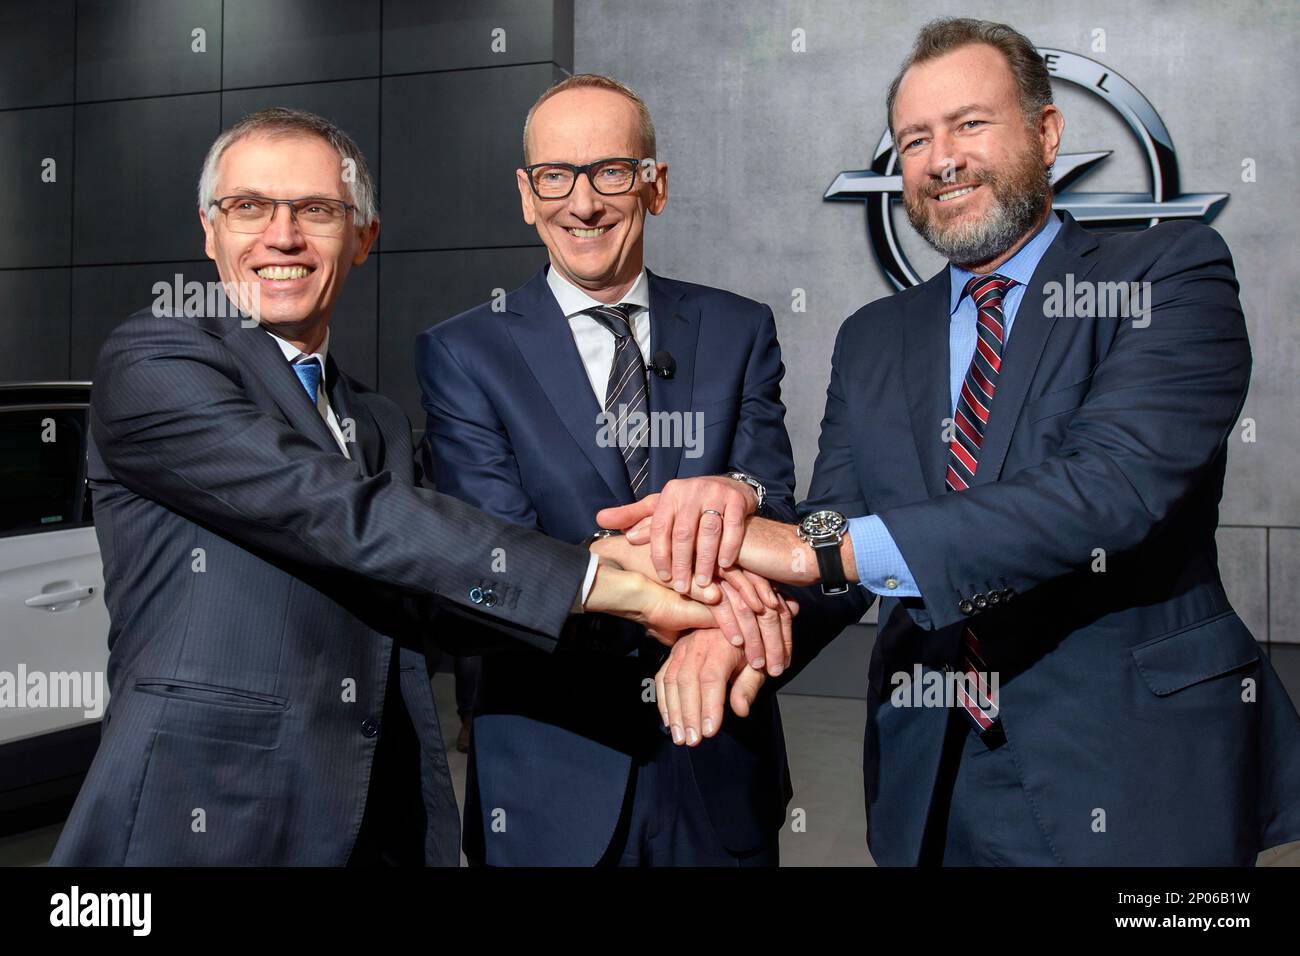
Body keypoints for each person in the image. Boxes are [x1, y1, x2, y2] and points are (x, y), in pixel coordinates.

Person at [603, 19, 1300, 866]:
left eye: (970, 124)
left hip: (1135, 764)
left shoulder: (1164, 273)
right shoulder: (874, 336)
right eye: (914, 140)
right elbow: (837, 525)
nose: (941, 159)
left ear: (1047, 133)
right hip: (932, 773)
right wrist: (737, 628)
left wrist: (801, 549)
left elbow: (1110, 489)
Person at [51, 108, 714, 867]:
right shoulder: (156, 361)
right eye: (249, 207)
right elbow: (333, 509)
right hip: (207, 817)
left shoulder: (377, 421)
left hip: (373, 813)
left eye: (317, 210)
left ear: (364, 237)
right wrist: (612, 583)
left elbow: (436, 590)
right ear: (210, 231)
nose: (283, 235)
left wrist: (638, 565)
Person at [416, 75, 818, 866]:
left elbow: (777, 505)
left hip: (720, 764)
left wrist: (743, 501)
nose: (583, 202)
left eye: (609, 171)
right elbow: (499, 554)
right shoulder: (464, 352)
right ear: (527, 197)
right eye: (554, 177)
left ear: (654, 185)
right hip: (551, 769)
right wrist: (713, 575)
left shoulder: (738, 329)